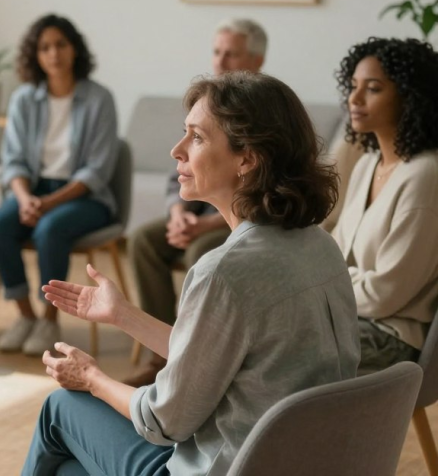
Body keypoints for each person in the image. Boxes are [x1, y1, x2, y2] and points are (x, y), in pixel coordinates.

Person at [24, 72, 359, 475]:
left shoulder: (223, 272)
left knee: (60, 408)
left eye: (197, 138)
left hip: (227, 466)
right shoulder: (322, 247)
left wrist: (92, 377)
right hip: (299, 462)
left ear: (247, 159)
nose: (176, 150)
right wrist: (122, 314)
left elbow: (164, 421)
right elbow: (208, 359)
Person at [125, 17, 267, 385]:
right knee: (142, 241)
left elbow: (264, 192)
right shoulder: (206, 103)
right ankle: (162, 357)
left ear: (257, 60)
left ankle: (194, 358)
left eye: (231, 54)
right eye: (216, 52)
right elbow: (182, 168)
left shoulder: (265, 110)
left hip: (235, 219)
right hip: (195, 211)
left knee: (201, 253)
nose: (219, 62)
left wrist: (205, 224)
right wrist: (177, 214)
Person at [0, 14, 118, 357]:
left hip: (85, 196)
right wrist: (26, 197)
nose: (53, 53)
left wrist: (48, 204)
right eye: (44, 47)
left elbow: (97, 170)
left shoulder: (99, 98)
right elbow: (12, 160)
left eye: (60, 44)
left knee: (50, 229)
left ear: (74, 49)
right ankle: (25, 317)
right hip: (33, 190)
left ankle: (49, 320)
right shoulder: (23, 100)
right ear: (35, 55)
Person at [330, 37, 438, 374]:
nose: (355, 98)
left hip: (391, 337)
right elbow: (334, 252)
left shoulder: (425, 175)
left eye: (373, 88)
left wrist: (324, 288)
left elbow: (384, 295)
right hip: (349, 318)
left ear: (410, 96)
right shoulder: (368, 163)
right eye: (353, 86)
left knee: (265, 358)